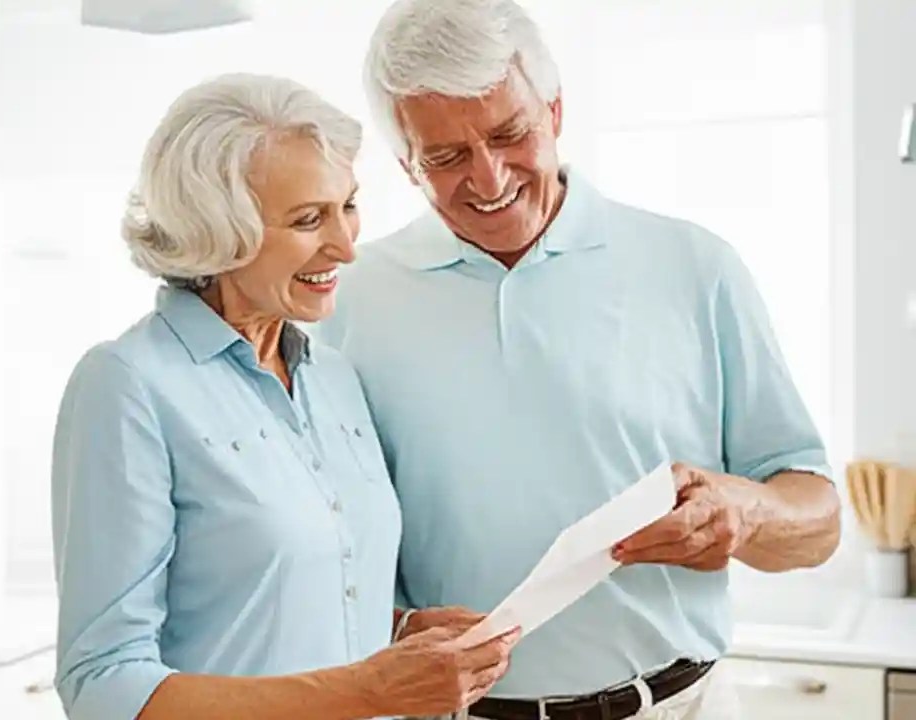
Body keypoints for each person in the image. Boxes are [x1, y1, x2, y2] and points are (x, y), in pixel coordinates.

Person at [316, 1, 843, 718]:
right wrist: (394, 625)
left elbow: (818, 521)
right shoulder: (345, 303)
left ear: (555, 111)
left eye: (510, 134)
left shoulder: (694, 267)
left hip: (679, 705)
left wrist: (743, 514)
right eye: (446, 157)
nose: (490, 178)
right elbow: (322, 547)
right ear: (407, 164)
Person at [50, 73, 519, 720]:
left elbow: (270, 605)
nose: (347, 247)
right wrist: (370, 690)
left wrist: (404, 634)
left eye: (348, 207)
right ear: (215, 229)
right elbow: (103, 686)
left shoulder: (332, 377)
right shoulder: (128, 385)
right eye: (308, 220)